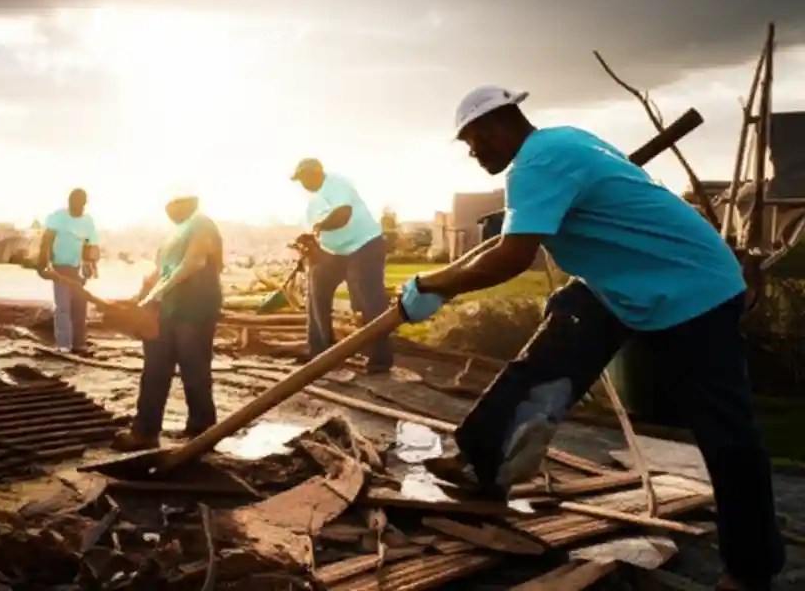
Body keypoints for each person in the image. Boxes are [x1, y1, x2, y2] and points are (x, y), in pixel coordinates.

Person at [400, 85, 784, 591]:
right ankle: (483, 459)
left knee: (725, 430)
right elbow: (505, 243)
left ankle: (751, 569)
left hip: (692, 287)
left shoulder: (536, 163)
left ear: (492, 128)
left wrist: (432, 284)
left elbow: (511, 258)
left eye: (473, 143)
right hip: (621, 283)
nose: (473, 154)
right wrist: (438, 282)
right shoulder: (563, 142)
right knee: (553, 348)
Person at [112, 187, 223, 451]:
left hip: (194, 309)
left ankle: (202, 431)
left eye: (175, 204)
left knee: (194, 369)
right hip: (167, 310)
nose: (170, 210)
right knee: (155, 368)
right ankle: (145, 431)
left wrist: (156, 293)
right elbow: (161, 271)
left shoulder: (202, 224)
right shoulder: (175, 234)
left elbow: (193, 263)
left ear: (189, 203)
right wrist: (140, 297)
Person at [290, 158, 392, 373]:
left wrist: (319, 227)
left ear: (318, 173)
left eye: (306, 177)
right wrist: (309, 242)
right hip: (336, 253)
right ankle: (321, 354)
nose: (304, 183)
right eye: (300, 180)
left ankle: (380, 359)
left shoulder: (336, 184)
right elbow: (316, 234)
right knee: (316, 291)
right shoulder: (312, 205)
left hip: (365, 246)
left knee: (369, 300)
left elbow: (343, 215)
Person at [37, 188, 100, 353]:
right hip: (60, 268)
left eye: (80, 204)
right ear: (69, 202)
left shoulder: (88, 222)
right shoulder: (58, 217)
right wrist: (43, 264)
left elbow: (91, 245)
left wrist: (91, 265)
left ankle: (79, 344)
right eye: (74, 203)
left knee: (80, 306)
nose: (77, 207)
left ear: (84, 204)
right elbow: (46, 241)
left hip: (77, 268)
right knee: (63, 307)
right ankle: (64, 345)